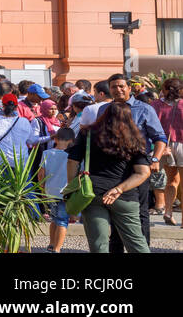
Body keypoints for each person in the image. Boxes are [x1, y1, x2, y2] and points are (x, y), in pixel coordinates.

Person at [65, 101, 151, 253]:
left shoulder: (88, 133)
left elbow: (72, 161)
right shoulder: (134, 139)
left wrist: (72, 186)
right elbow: (143, 172)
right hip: (125, 196)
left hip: (92, 194)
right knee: (136, 243)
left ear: (103, 115)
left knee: (99, 244)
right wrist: (119, 189)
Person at [103, 73, 167, 252]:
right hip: (112, 166)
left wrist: (155, 159)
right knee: (114, 206)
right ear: (110, 89)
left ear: (129, 88)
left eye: (121, 86)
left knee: (140, 210)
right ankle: (115, 248)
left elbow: (160, 137)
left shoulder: (144, 109)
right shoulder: (104, 110)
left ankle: (142, 247)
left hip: (139, 166)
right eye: (114, 86)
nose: (118, 89)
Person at [37, 127, 76, 253]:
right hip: (65, 193)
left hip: (50, 192)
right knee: (62, 221)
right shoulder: (72, 155)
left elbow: (41, 175)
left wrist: (42, 191)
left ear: (56, 139)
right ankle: (57, 249)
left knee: (54, 219)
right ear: (71, 140)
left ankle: (51, 244)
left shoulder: (47, 153)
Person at [151, 77, 183, 226]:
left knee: (172, 180)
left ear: (163, 89)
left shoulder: (156, 105)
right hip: (182, 144)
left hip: (164, 146)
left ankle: (168, 211)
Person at [0, 93, 43, 166]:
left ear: (3, 106)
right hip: (20, 161)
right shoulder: (24, 121)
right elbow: (31, 140)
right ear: (16, 107)